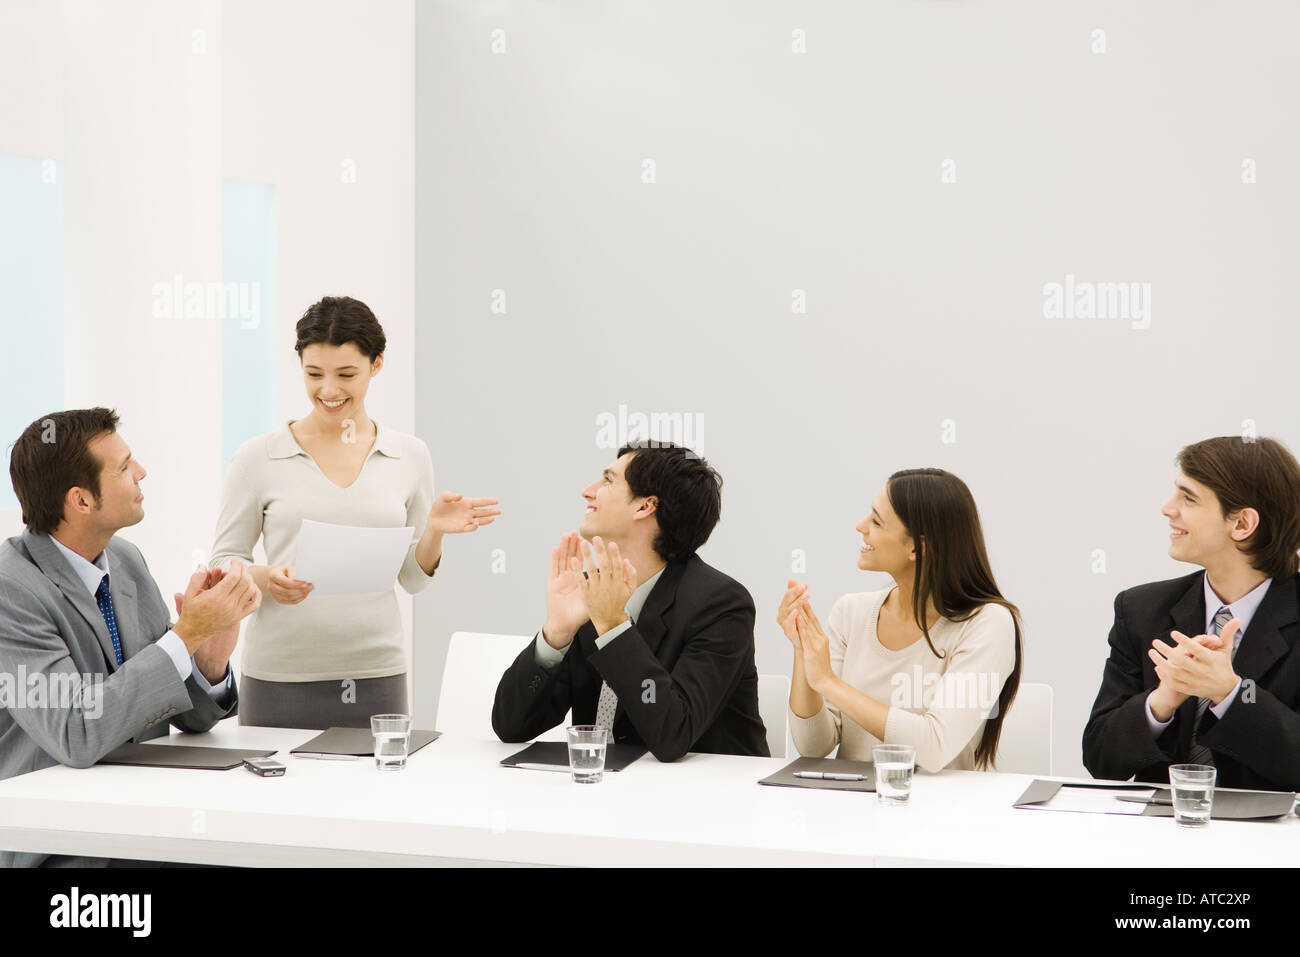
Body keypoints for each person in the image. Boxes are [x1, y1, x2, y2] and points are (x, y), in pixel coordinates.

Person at [209, 296, 499, 728]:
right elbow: (222, 564)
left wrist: (434, 531)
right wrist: (268, 580)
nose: (328, 390)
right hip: (279, 676)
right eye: (313, 374)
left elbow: (413, 580)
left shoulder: (410, 455)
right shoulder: (258, 458)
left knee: (376, 794)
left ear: (376, 365)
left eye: (346, 374)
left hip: (376, 674)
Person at [0, 408, 257, 868]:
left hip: (142, 820)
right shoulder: (11, 589)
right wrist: (187, 633)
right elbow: (76, 732)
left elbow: (182, 715)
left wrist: (208, 660)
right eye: (123, 466)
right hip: (64, 843)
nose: (141, 472)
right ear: (81, 501)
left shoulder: (124, 559)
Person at [492, 441, 769, 762]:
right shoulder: (592, 588)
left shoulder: (721, 604)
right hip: (603, 793)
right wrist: (556, 634)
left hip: (703, 799)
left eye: (608, 480)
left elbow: (673, 734)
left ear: (644, 506)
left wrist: (613, 626)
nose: (587, 491)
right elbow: (510, 726)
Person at [1083, 436, 1300, 792]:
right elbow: (1101, 760)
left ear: (1242, 524)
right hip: (1162, 834)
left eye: (1188, 498)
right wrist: (1163, 699)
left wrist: (1231, 694)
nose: (1168, 509)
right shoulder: (1139, 609)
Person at [780, 468, 1022, 772]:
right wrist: (804, 649)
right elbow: (813, 747)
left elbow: (934, 747)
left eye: (876, 521)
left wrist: (828, 682)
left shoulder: (988, 624)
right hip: (849, 808)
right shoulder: (850, 613)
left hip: (939, 812)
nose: (860, 526)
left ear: (917, 547)